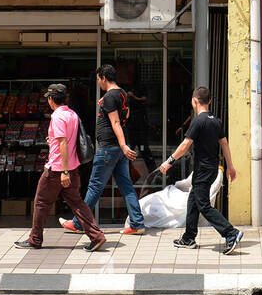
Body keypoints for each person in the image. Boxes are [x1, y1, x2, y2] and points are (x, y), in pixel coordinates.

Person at [15, 84, 105, 252]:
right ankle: (96, 236)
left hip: (57, 170)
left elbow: (63, 142)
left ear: (51, 99)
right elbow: (67, 141)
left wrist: (63, 171)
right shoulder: (72, 114)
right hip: (72, 167)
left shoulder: (57, 116)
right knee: (77, 203)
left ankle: (35, 239)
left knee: (41, 202)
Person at [60, 64, 146, 236]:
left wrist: (122, 145)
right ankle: (137, 224)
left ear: (103, 78)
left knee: (94, 187)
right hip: (117, 150)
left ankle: (78, 223)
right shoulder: (122, 94)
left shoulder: (109, 98)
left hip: (108, 148)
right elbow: (125, 116)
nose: (98, 82)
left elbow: (115, 123)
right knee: (126, 185)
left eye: (98, 79)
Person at [157, 86, 242, 254]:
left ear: (194, 101)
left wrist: (170, 161)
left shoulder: (198, 121)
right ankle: (189, 237)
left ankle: (231, 233)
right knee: (193, 201)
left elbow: (185, 145)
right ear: (209, 101)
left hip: (203, 169)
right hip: (210, 168)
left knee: (203, 205)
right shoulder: (215, 121)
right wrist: (230, 166)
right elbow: (224, 144)